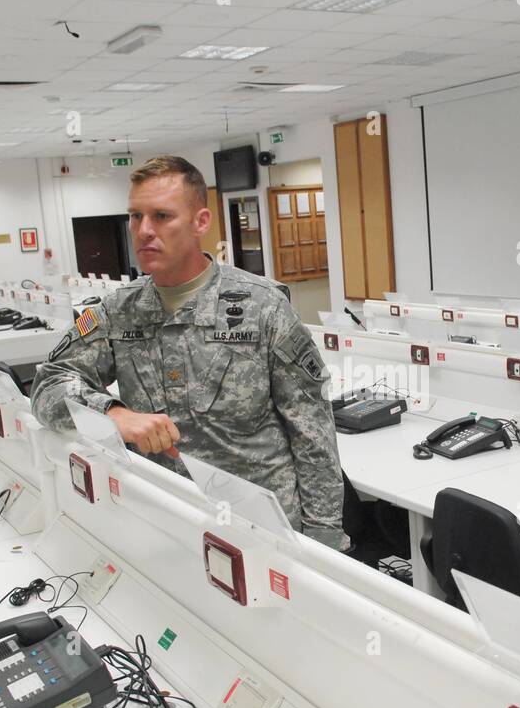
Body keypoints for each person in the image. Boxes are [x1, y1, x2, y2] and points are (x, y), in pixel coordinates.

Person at [31, 155, 345, 549]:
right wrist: (112, 413)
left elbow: (312, 430)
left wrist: (324, 536)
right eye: (135, 216)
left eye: (162, 216)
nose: (144, 231)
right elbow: (46, 387)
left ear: (200, 222)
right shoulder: (118, 311)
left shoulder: (262, 306)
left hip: (259, 530)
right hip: (163, 521)